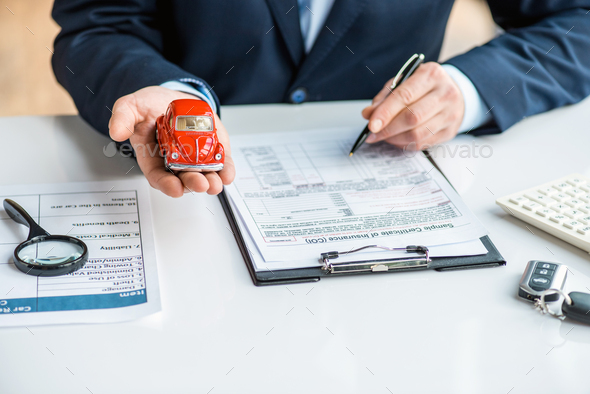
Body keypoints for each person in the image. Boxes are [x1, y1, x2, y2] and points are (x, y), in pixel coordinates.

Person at [51, 1, 590, 197]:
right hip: (177, 201)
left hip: (388, 188)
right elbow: (99, 24)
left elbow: (576, 22)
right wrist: (169, 94)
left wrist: (471, 89)